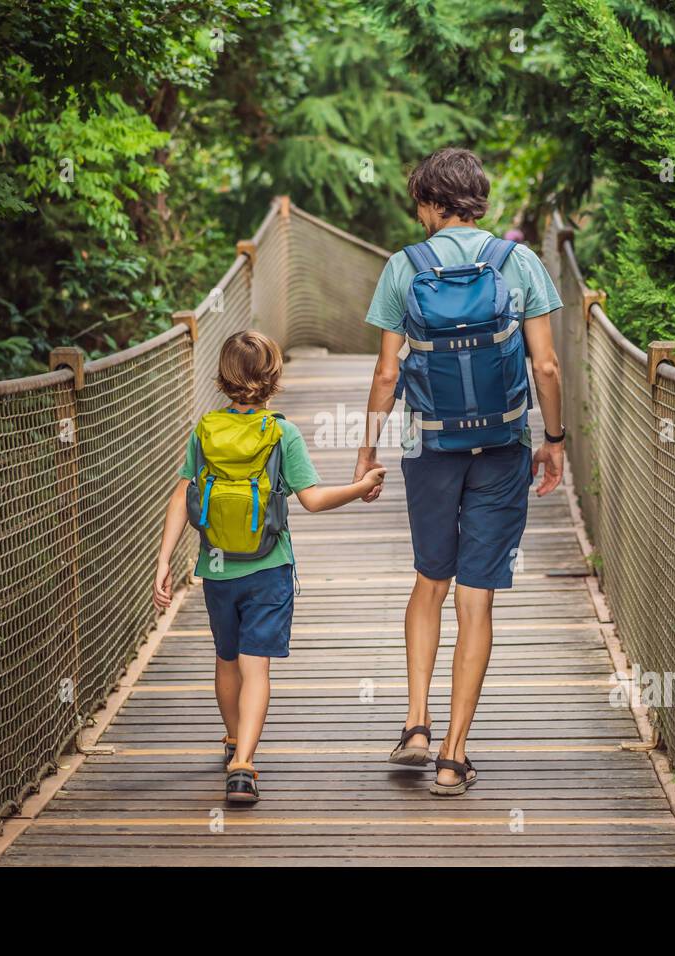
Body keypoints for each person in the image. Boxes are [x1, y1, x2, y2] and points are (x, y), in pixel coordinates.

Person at [354, 147, 565, 796]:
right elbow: (548, 367)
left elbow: (388, 373)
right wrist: (552, 440)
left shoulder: (403, 268)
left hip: (430, 447)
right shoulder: (518, 261)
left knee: (430, 582)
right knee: (477, 598)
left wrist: (366, 449)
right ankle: (452, 756)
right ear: (478, 199)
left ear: (428, 202)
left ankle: (415, 724)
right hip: (501, 446)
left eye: (417, 201)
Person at [154, 330, 386, 804]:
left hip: (216, 567)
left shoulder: (205, 430)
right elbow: (314, 501)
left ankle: (233, 738)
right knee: (254, 666)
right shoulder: (282, 433)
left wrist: (163, 561)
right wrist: (360, 486)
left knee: (226, 659)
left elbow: (182, 494)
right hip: (268, 566)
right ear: (273, 379)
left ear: (223, 378)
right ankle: (243, 765)